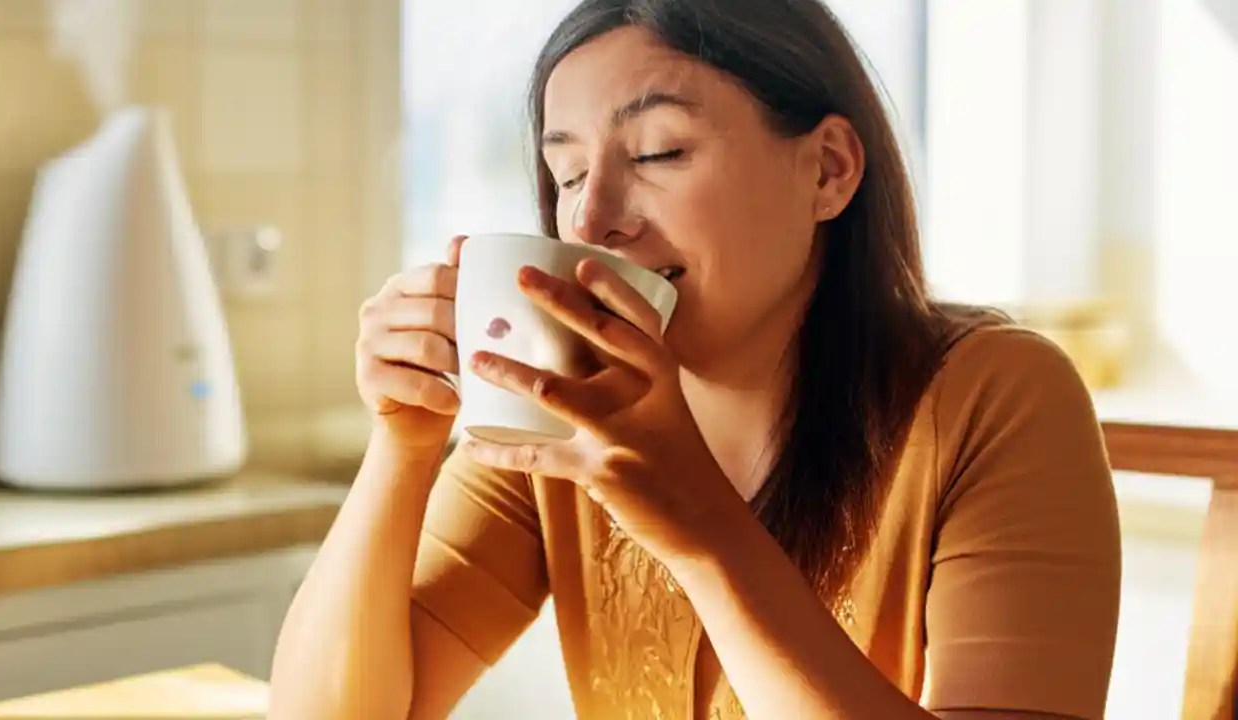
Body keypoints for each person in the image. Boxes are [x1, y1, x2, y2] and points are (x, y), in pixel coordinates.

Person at [269, 1, 1122, 718]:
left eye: (658, 154)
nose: (594, 219)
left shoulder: (999, 398)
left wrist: (704, 531)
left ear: (827, 170)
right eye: (565, 173)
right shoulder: (560, 419)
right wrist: (404, 448)